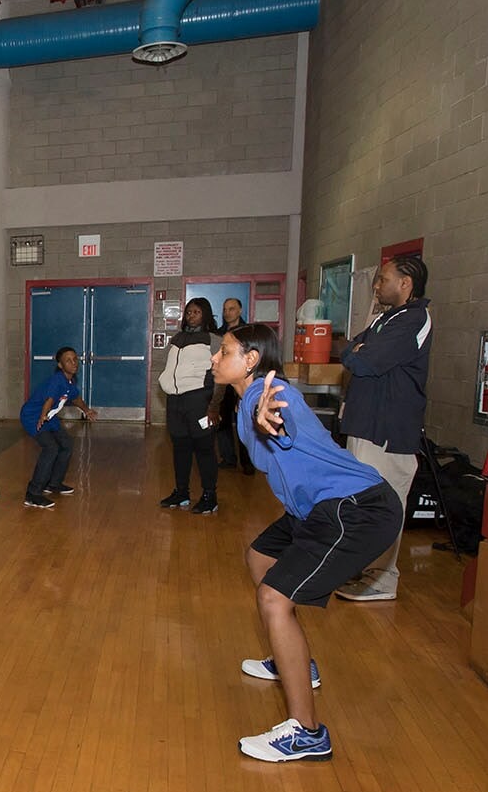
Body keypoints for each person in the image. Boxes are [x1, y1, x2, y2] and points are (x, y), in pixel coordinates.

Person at [211, 324, 403, 762]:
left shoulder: (276, 396)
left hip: (355, 509)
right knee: (259, 554)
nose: (215, 359)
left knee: (274, 599)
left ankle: (308, 733)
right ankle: (292, 660)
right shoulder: (246, 403)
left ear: (252, 360)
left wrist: (272, 422)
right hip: (315, 509)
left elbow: (283, 423)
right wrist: (259, 421)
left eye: (224, 352)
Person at [335, 255, 433, 603]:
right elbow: (349, 350)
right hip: (365, 426)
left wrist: (357, 354)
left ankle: (382, 578)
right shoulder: (388, 319)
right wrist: (355, 352)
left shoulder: (414, 319)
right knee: (362, 504)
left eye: (383, 279)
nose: (376, 286)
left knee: (386, 507)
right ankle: (365, 571)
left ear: (405, 284)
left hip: (387, 433)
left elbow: (366, 362)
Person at [157, 298, 222, 516]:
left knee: (204, 449)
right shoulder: (177, 338)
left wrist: (214, 407)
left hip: (199, 400)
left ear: (205, 314)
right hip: (175, 400)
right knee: (180, 448)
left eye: (196, 312)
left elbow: (220, 377)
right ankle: (182, 492)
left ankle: (209, 496)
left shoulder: (213, 340)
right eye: (188, 312)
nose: (191, 315)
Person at [21, 347, 94, 509]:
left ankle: (53, 483)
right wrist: (42, 416)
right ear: (60, 365)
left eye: (75, 359)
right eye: (68, 360)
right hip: (34, 416)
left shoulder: (70, 382)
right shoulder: (57, 380)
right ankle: (33, 493)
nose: (74, 363)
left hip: (49, 417)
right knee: (51, 448)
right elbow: (49, 399)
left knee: (66, 445)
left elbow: (76, 399)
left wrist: (87, 410)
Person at [211, 297, 254, 475]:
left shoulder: (249, 332)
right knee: (223, 422)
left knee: (244, 422)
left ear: (240, 310)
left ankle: (248, 463)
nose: (228, 313)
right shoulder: (218, 333)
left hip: (243, 382)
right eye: (225, 309)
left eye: (232, 309)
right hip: (224, 383)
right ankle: (228, 458)